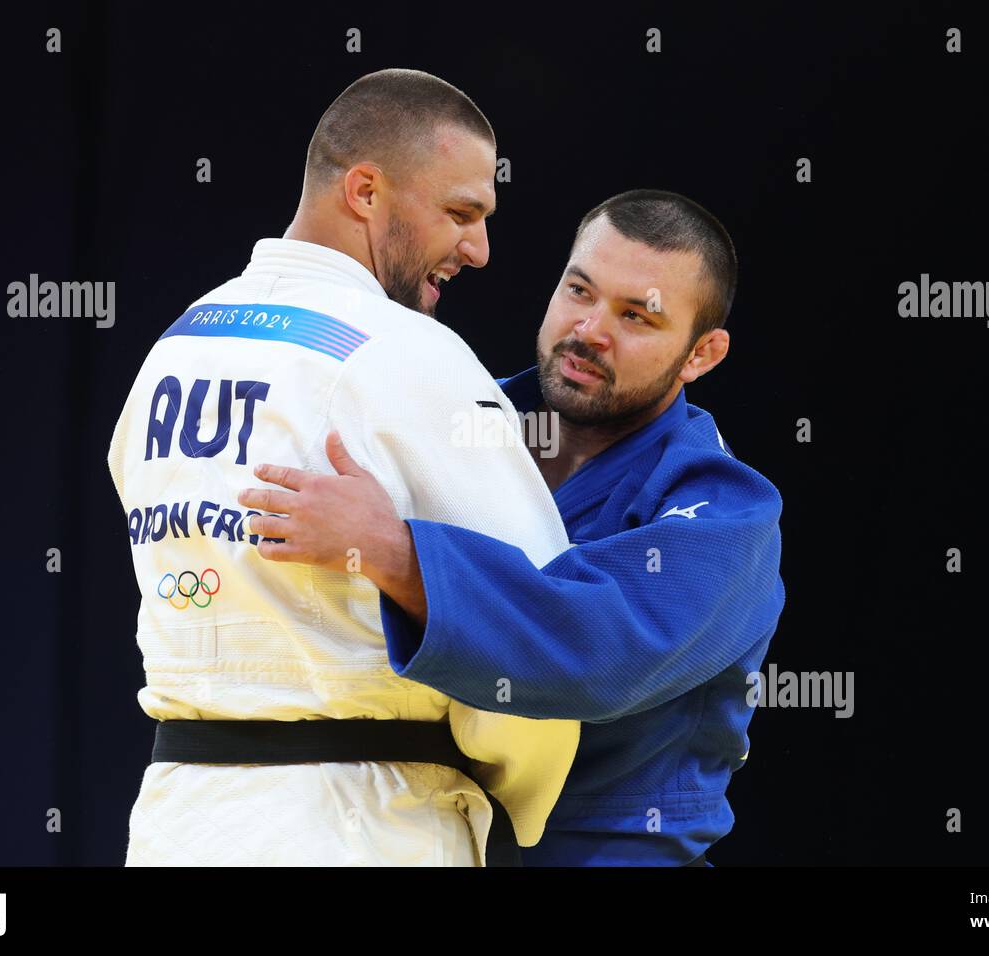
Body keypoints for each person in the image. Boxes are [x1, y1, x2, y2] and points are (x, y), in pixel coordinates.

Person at [106, 68, 579, 866]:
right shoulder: (411, 354)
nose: (480, 249)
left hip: (177, 823)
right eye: (461, 213)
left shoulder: (170, 351)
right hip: (360, 823)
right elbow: (534, 636)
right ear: (365, 190)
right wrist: (527, 790)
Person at [240, 189, 786, 866]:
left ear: (702, 353)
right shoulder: (457, 414)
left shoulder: (727, 511)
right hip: (412, 832)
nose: (590, 329)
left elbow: (597, 650)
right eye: (579, 291)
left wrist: (391, 552)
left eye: (636, 317)